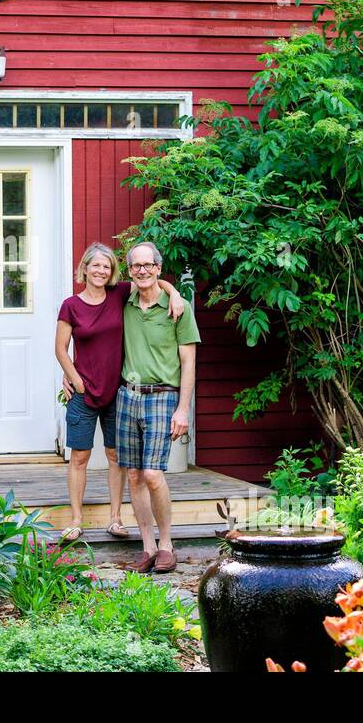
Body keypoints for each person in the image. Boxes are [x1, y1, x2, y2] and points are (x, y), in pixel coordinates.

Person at [54, 242, 185, 543]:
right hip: (82, 393)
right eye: (95, 265)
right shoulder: (70, 305)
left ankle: (115, 518)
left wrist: (175, 294)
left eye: (106, 266)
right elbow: (60, 349)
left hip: (118, 392)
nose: (101, 271)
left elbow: (152, 278)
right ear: (84, 268)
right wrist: (74, 379)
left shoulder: (119, 295)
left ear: (112, 271)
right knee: (80, 456)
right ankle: (76, 520)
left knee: (116, 457)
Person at [116, 241, 200, 574]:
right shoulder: (124, 301)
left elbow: (188, 361)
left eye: (148, 265)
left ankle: (167, 544)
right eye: (135, 266)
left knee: (152, 474)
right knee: (134, 475)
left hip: (163, 395)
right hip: (128, 394)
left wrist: (184, 409)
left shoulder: (177, 307)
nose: (141, 270)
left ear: (158, 268)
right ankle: (147, 546)